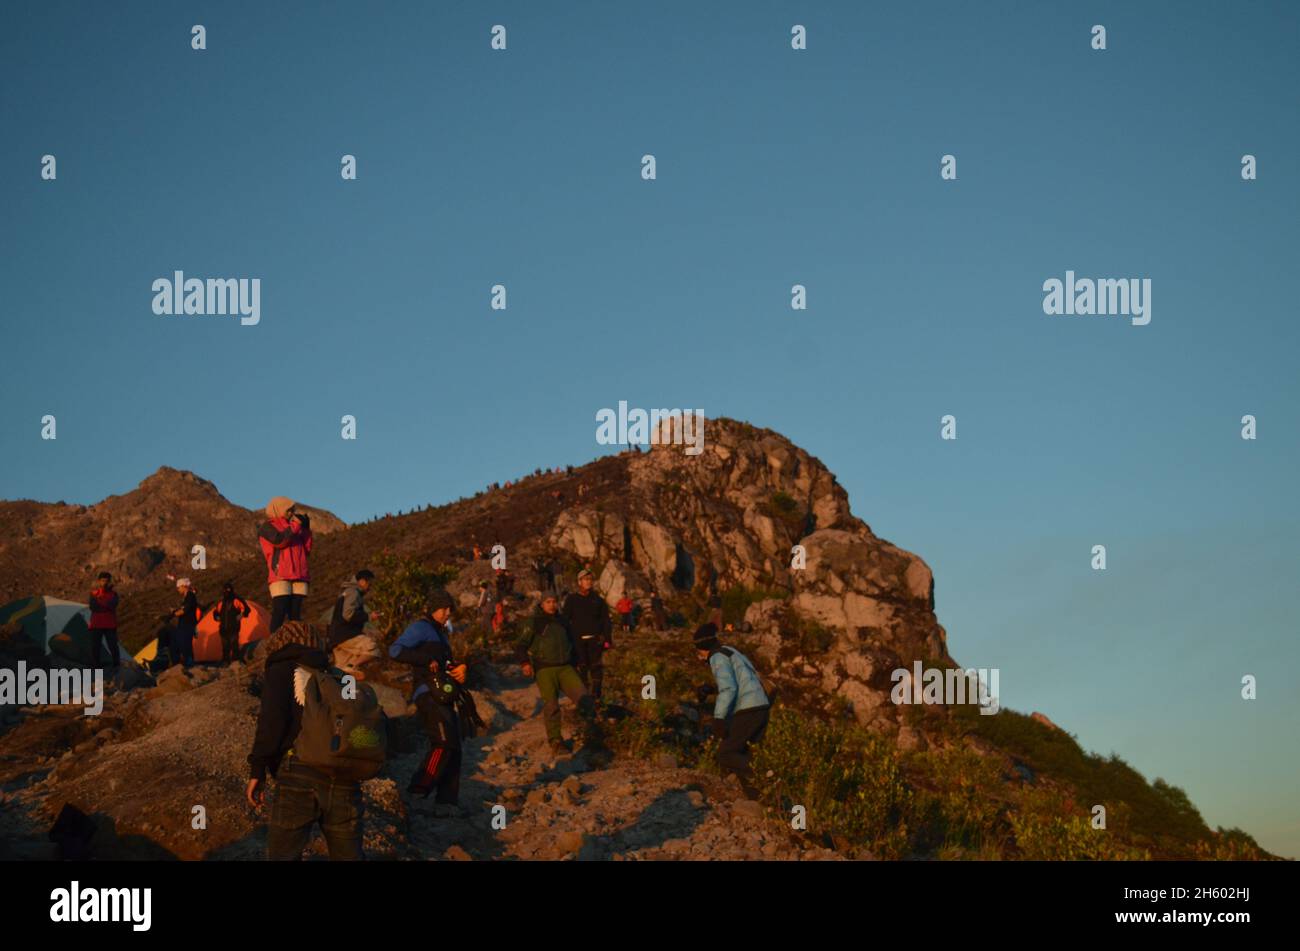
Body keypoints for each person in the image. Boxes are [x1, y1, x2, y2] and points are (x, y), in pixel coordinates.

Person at [245, 621, 364, 860]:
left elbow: (272, 723)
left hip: (299, 773)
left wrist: (257, 769)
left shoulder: (282, 669)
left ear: (280, 644)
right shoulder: (335, 675)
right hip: (344, 776)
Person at [388, 591, 470, 815]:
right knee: (443, 742)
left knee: (455, 747)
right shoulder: (421, 627)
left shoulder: (441, 634)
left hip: (444, 694)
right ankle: (417, 791)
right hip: (426, 693)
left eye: (450, 609)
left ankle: (447, 801)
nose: (448, 613)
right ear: (433, 608)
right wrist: (425, 659)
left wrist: (460, 669)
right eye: (444, 608)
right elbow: (395, 650)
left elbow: (446, 665)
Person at [694, 622, 770, 798]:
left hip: (748, 708)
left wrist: (718, 719)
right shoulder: (731, 651)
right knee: (742, 753)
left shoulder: (716, 657)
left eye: (699, 653)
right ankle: (758, 799)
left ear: (703, 648)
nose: (700, 658)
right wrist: (712, 689)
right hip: (761, 707)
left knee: (726, 754)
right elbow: (743, 679)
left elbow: (729, 689)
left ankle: (766, 775)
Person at [516, 592, 596, 758]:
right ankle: (555, 741)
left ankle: (593, 734)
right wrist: (525, 663)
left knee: (585, 699)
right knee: (552, 705)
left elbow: (573, 643)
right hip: (544, 669)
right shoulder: (534, 622)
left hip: (566, 668)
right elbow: (521, 644)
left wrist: (579, 663)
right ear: (542, 604)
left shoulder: (563, 621)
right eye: (548, 602)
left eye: (554, 601)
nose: (552, 605)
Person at [258, 497, 313, 632]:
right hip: (280, 574)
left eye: (293, 510)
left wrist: (305, 530)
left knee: (296, 615)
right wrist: (295, 526)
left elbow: (307, 549)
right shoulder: (267, 527)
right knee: (280, 611)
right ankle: (273, 644)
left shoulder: (294, 527)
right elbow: (280, 541)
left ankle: (294, 643)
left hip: (299, 574)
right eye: (289, 510)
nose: (291, 513)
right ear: (279, 508)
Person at [561, 568, 612, 703]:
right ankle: (583, 699)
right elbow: (565, 619)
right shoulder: (571, 599)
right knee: (581, 668)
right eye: (585, 579)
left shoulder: (598, 600)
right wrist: (566, 639)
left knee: (596, 668)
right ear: (579, 582)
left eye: (590, 579)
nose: (588, 582)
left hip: (595, 640)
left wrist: (607, 639)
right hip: (577, 641)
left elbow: (606, 620)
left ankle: (596, 698)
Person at [329, 569, 375, 645]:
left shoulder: (349, 591)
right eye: (369, 584)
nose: (369, 588)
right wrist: (368, 616)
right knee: (373, 650)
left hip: (340, 635)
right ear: (362, 581)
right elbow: (348, 614)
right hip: (345, 636)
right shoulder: (353, 592)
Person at [213, 580, 252, 665]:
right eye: (225, 590)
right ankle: (226, 661)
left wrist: (241, 615)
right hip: (223, 628)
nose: (226, 592)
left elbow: (247, 609)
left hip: (233, 627)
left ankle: (235, 662)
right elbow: (215, 612)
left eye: (227, 590)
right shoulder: (222, 602)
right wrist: (217, 617)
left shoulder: (236, 600)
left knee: (234, 645)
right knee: (225, 647)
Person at [87, 572, 120, 668]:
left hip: (109, 625)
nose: (105, 583)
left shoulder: (114, 594)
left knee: (113, 646)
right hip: (96, 624)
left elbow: (112, 605)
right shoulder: (93, 594)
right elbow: (93, 607)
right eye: (103, 581)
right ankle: (96, 666)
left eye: (106, 581)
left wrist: (100, 605)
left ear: (109, 582)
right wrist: (105, 607)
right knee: (95, 647)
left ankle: (116, 665)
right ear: (99, 581)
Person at [169, 578, 199, 669]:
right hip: (184, 623)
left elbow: (185, 610)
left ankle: (189, 663)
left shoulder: (190, 596)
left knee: (186, 643)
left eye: (178, 587)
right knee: (184, 643)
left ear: (183, 586)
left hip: (188, 624)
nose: (178, 589)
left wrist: (174, 614)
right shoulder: (186, 597)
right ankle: (187, 661)